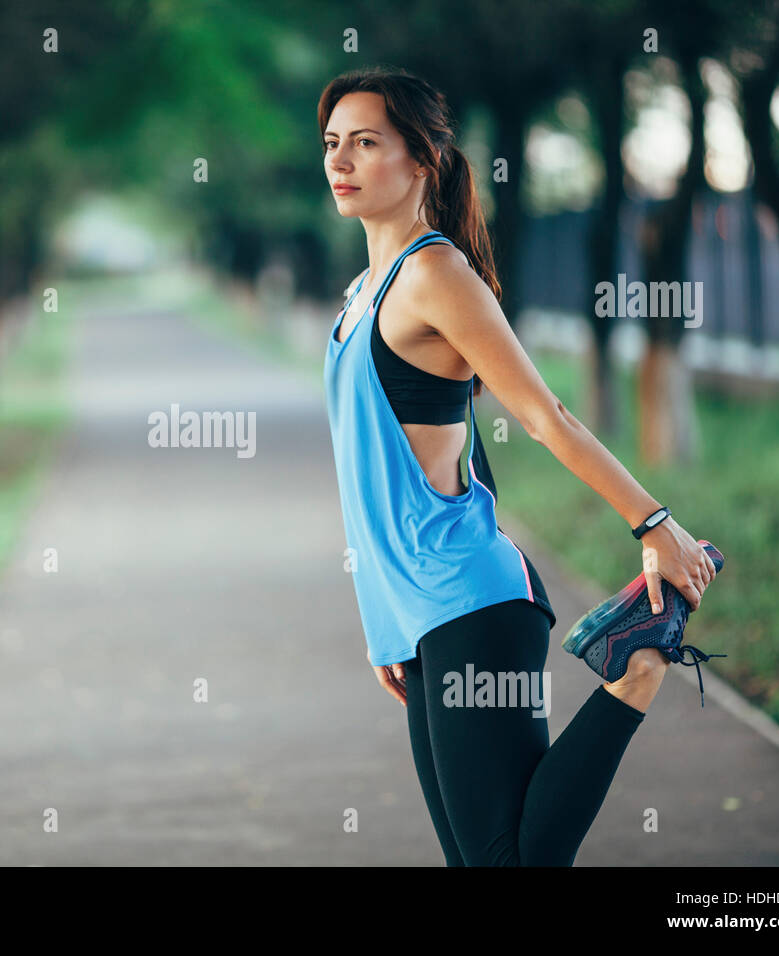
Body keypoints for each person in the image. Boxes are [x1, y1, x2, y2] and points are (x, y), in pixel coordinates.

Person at [318, 66, 718, 866]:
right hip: (420, 608)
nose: (343, 161)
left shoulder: (435, 274)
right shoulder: (363, 289)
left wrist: (655, 522)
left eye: (367, 142)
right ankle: (634, 658)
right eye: (333, 143)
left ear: (422, 159)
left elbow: (546, 416)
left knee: (510, 863)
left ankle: (635, 669)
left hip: (473, 600)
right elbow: (373, 479)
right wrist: (384, 623)